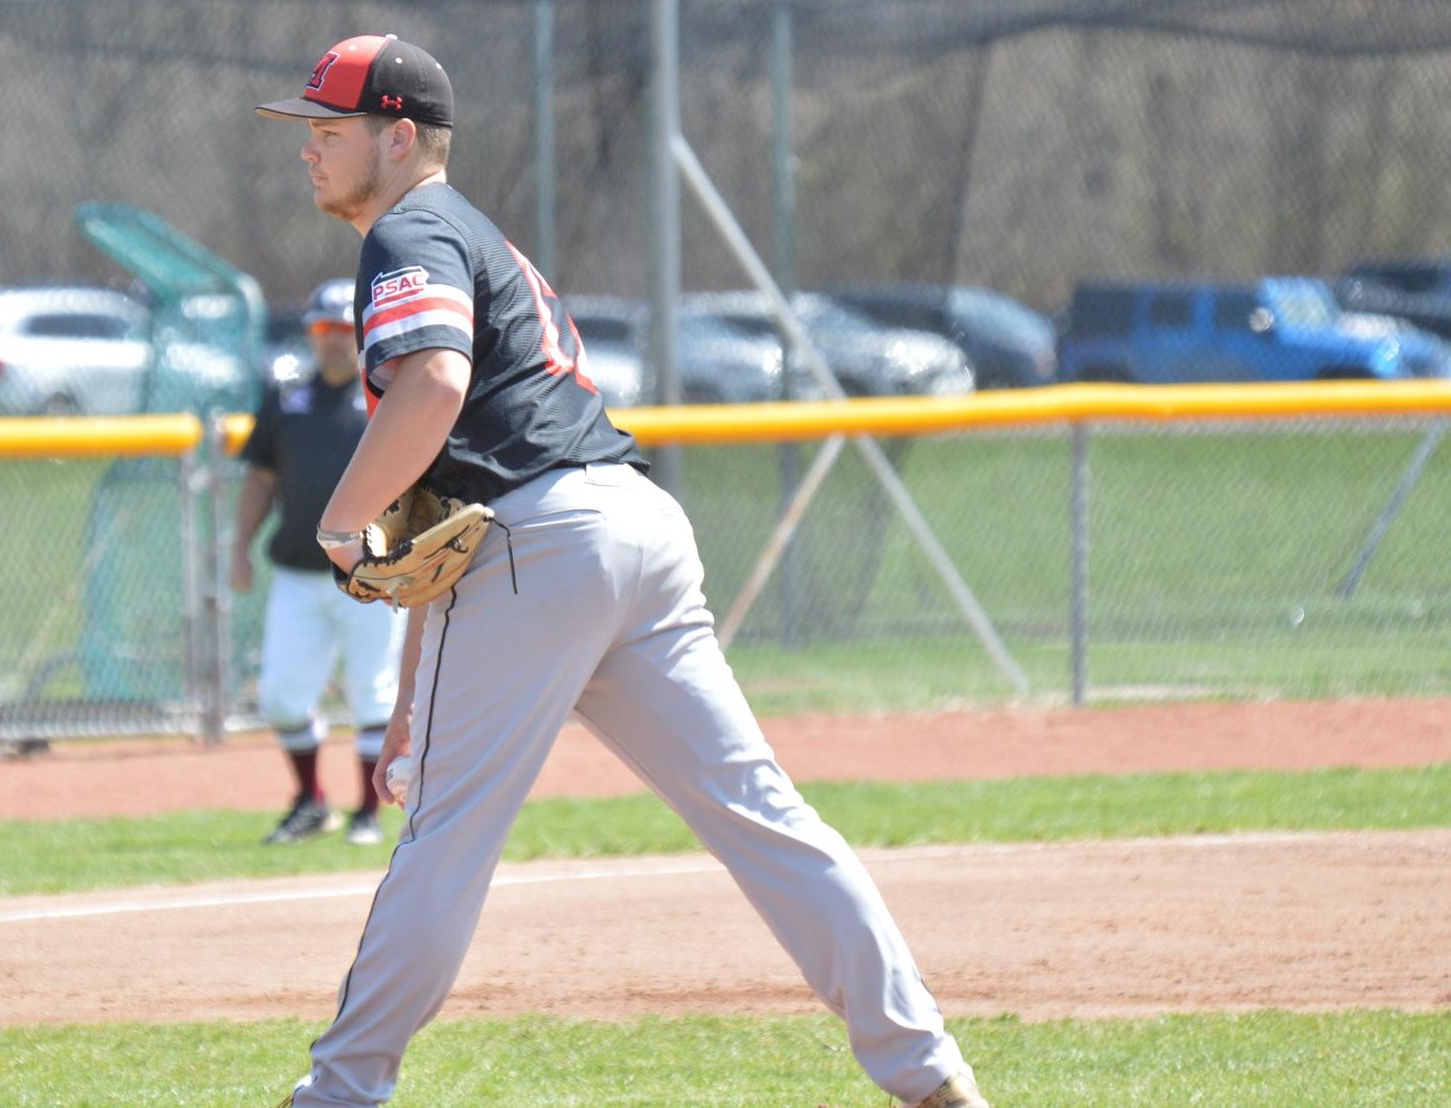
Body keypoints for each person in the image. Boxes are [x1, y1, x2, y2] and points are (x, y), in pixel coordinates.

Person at [255, 33, 990, 1108]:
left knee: (442, 847)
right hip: (630, 526)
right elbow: (454, 492)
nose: (310, 149)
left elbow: (435, 389)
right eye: (307, 131)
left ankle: (339, 1092)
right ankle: (932, 1078)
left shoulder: (408, 226)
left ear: (400, 135)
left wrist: (337, 522)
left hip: (538, 546)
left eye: (332, 129)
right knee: (765, 818)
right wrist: (413, 684)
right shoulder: (480, 238)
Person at [233, 278, 408, 847]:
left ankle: (368, 811)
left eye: (341, 329)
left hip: (371, 574)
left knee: (373, 693)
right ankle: (311, 801)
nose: (331, 340)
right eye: (322, 329)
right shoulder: (287, 399)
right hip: (298, 572)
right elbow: (260, 478)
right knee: (282, 694)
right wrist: (239, 548)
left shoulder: (388, 395)